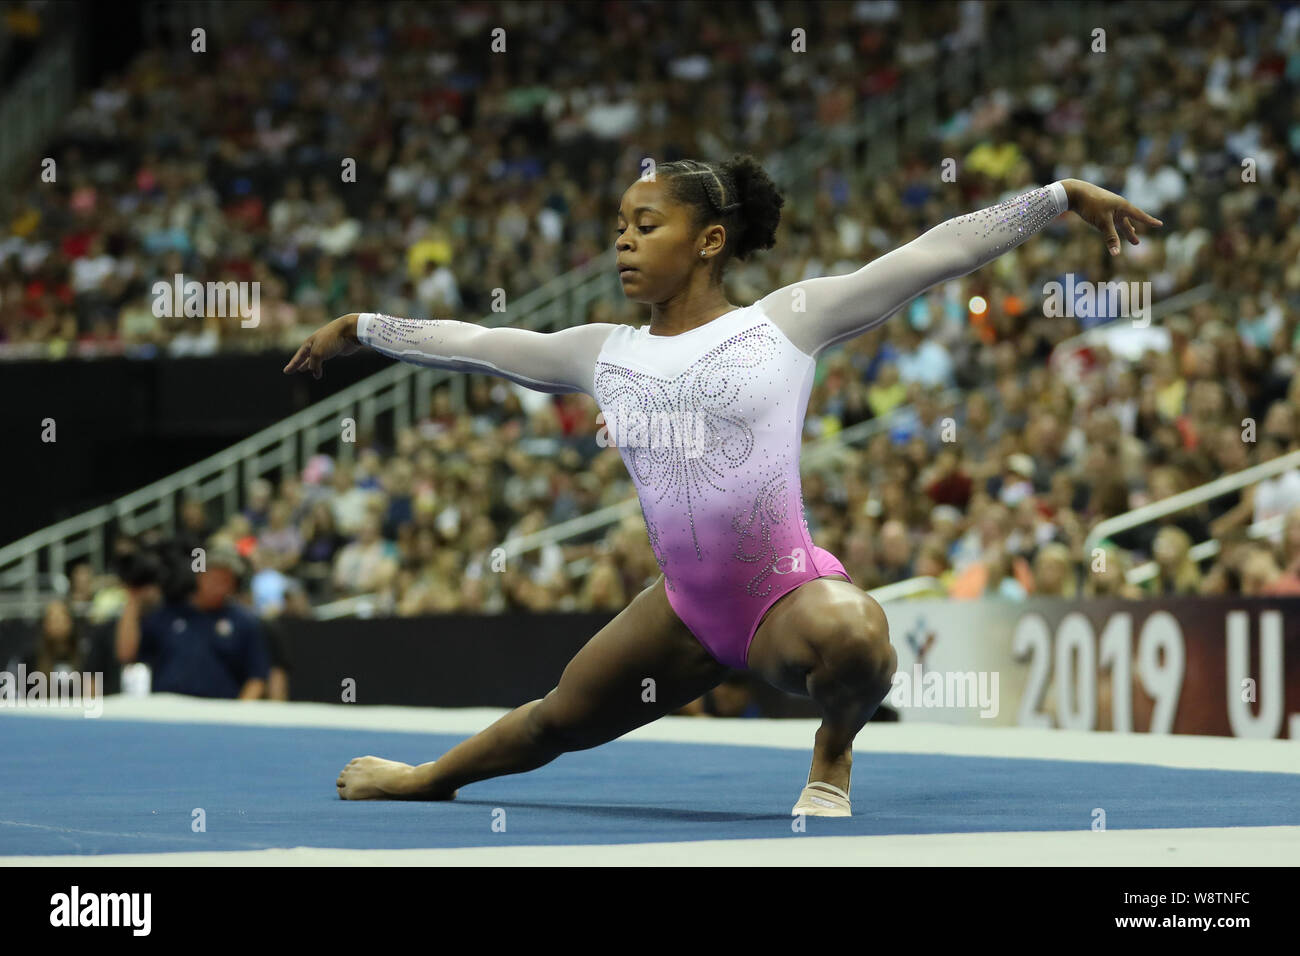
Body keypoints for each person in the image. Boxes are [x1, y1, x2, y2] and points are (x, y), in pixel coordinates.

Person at [285, 155, 1159, 816]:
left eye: (647, 223)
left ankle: (833, 752)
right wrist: (360, 326)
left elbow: (931, 256)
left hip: (783, 593)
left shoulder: (784, 322)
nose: (623, 239)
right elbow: (471, 342)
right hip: (683, 610)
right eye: (620, 224)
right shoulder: (602, 352)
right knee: (555, 721)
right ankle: (428, 779)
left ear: (709, 240)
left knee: (858, 641)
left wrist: (1056, 198)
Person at [115, 543, 271, 699]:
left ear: (234, 584)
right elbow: (126, 654)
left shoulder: (243, 622)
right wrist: (133, 598)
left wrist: (238, 714)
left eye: (225, 579)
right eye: (213, 575)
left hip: (218, 712)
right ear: (199, 576)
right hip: (168, 710)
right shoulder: (168, 614)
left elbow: (257, 677)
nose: (218, 585)